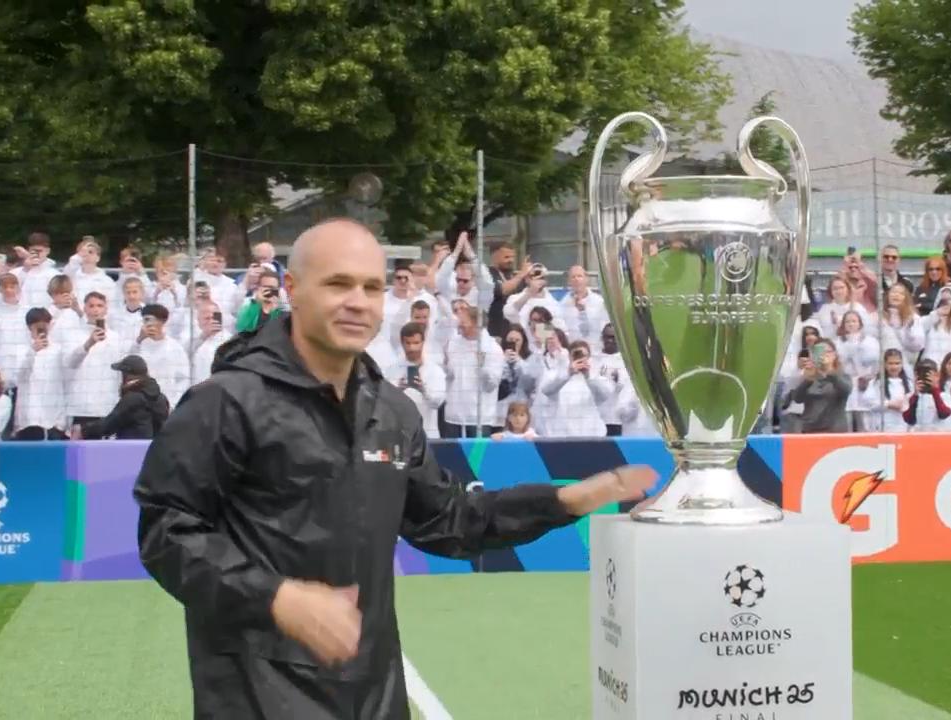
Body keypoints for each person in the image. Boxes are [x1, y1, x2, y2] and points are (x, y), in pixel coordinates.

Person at [132, 218, 655, 720]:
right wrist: (277, 598)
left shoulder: (391, 410)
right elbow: (167, 531)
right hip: (258, 693)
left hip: (374, 692)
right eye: (338, 284)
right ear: (292, 288)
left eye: (371, 287)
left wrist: (564, 501)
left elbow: (451, 519)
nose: (357, 302)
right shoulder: (225, 400)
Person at [75, 355, 170, 440]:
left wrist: (83, 430)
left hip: (132, 452)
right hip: (154, 453)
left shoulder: (132, 399)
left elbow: (108, 425)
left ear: (126, 375)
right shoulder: (162, 398)